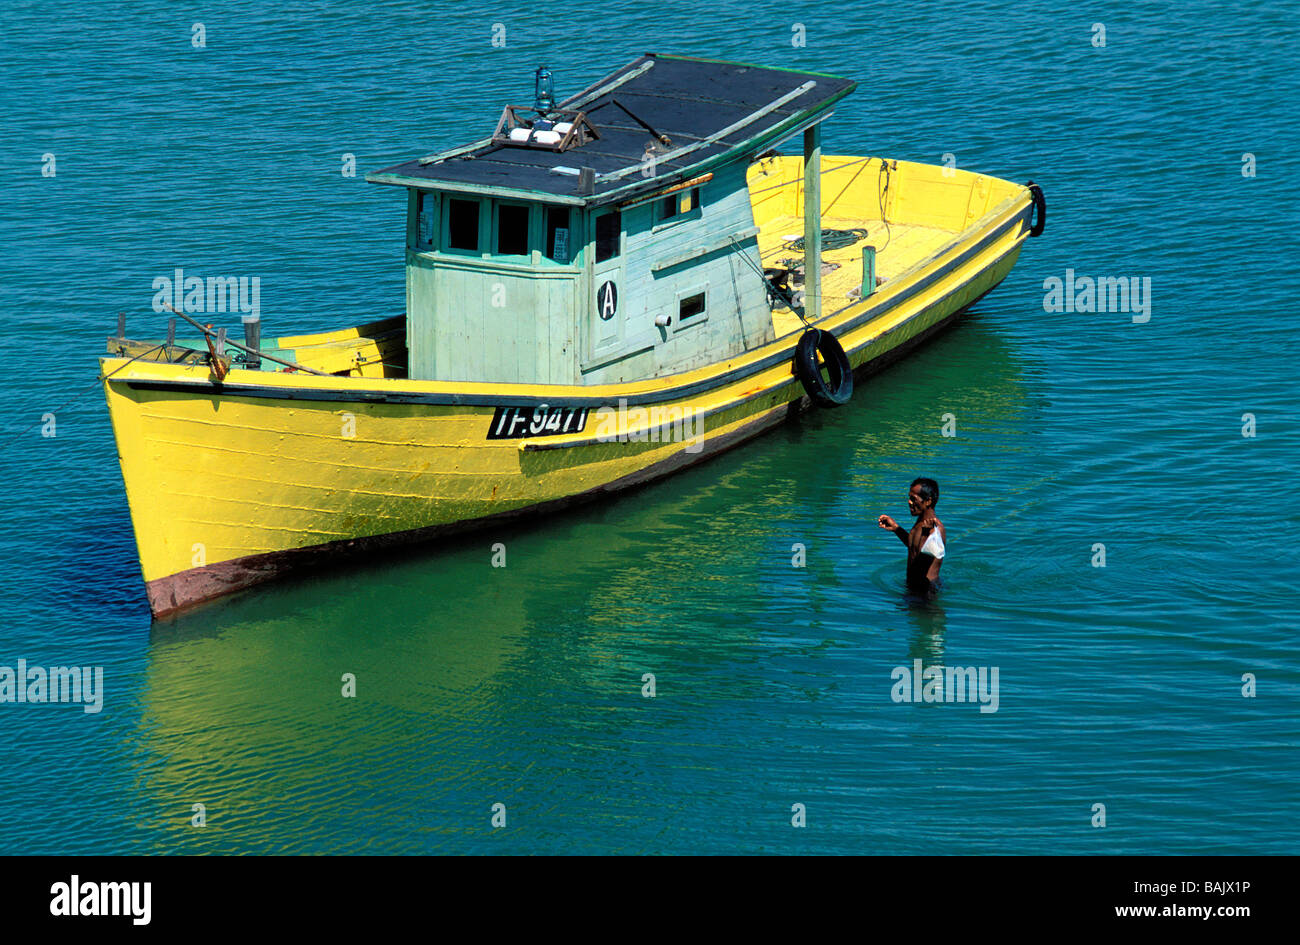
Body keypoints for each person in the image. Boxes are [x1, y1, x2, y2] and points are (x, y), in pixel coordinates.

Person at [877, 478, 946, 593]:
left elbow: (924, 558)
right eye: (909, 498)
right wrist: (896, 528)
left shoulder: (935, 529)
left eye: (913, 499)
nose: (909, 502)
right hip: (913, 587)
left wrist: (925, 534)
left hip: (925, 592)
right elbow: (913, 546)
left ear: (928, 501)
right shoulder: (921, 522)